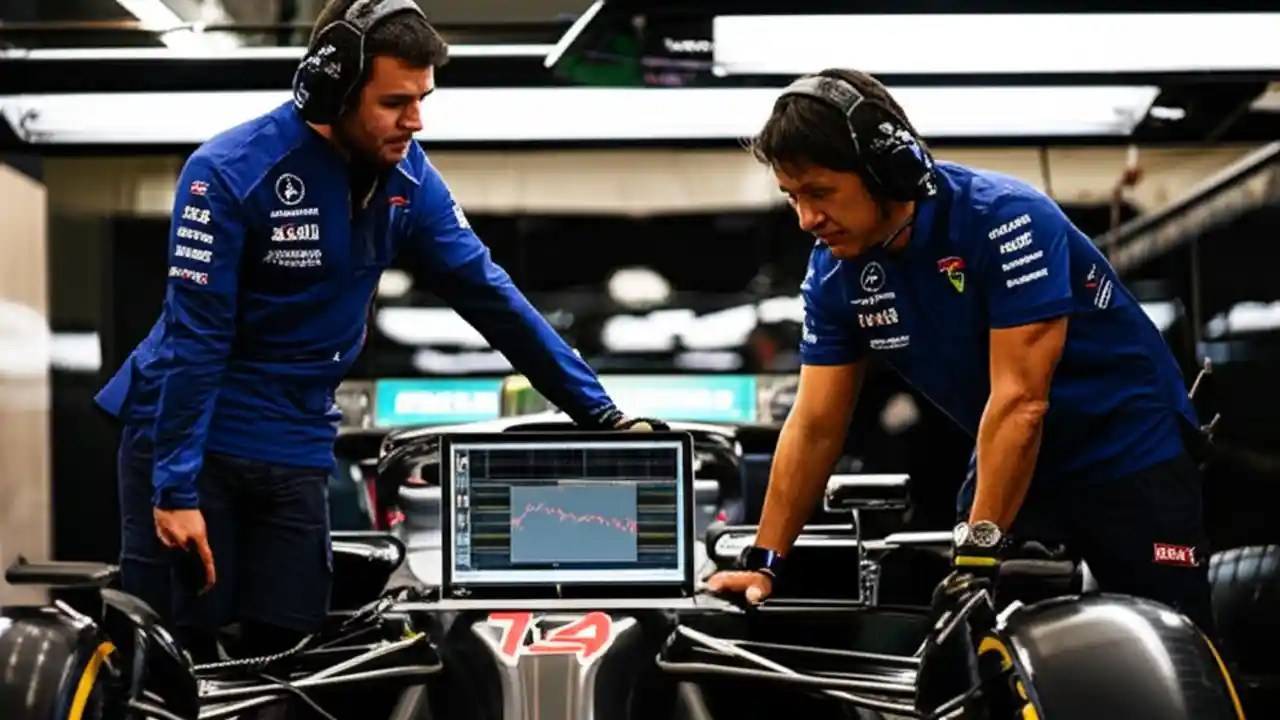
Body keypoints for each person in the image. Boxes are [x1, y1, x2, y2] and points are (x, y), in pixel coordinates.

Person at [96, 0, 660, 660]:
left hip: (295, 442)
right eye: (396, 102)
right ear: (333, 89)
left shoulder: (410, 181)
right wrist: (174, 489)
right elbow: (198, 338)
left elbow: (491, 296)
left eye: (423, 99)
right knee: (176, 657)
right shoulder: (228, 173)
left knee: (293, 653)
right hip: (191, 434)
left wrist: (600, 414)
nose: (415, 121)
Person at [707, 68, 1216, 634]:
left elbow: (1023, 401)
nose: (806, 220)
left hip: (1129, 454)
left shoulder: (1007, 220)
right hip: (1009, 458)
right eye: (792, 197)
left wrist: (979, 552)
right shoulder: (834, 275)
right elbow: (815, 424)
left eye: (820, 193)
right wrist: (766, 560)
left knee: (1171, 645)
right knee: (977, 648)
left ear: (887, 171)